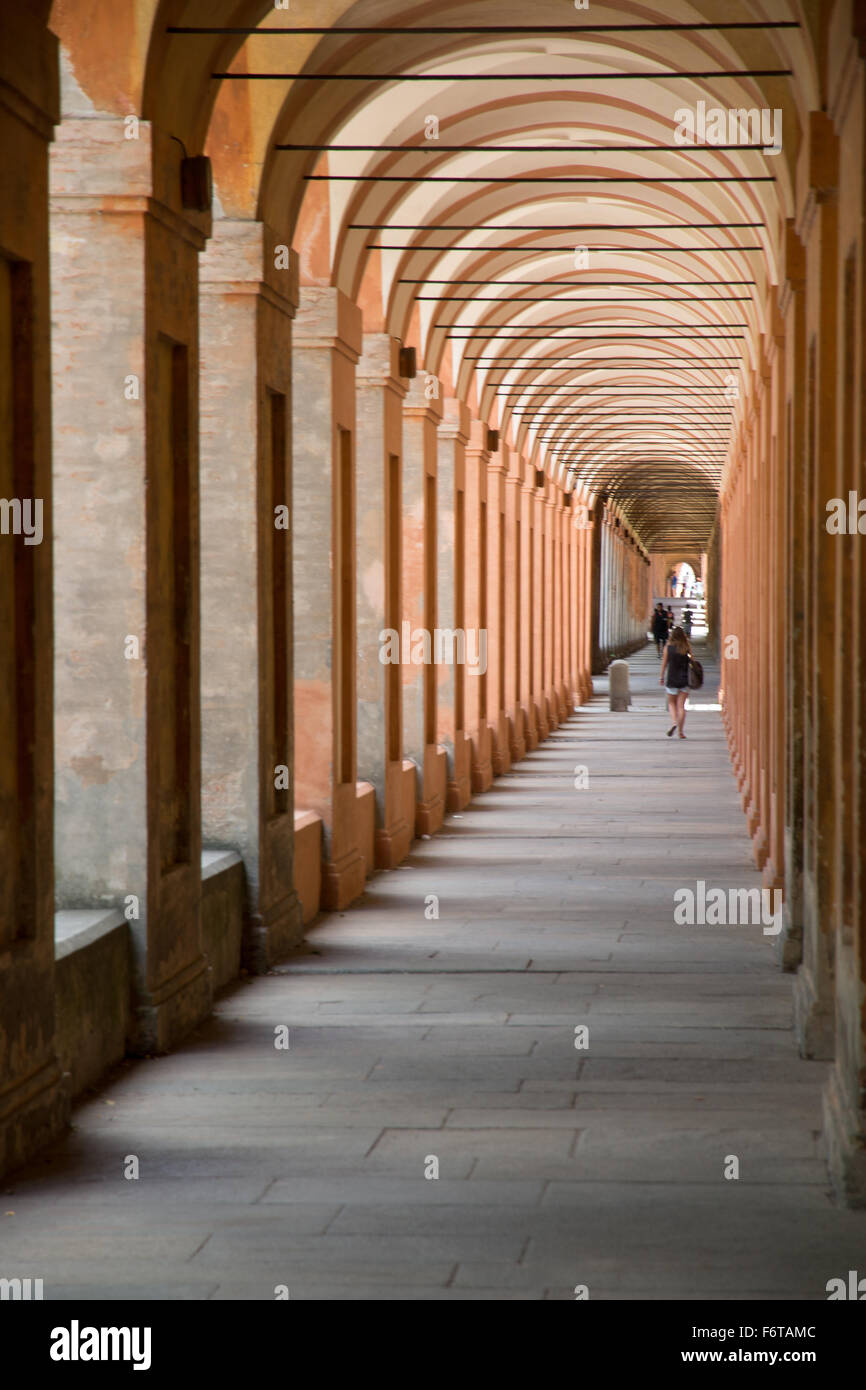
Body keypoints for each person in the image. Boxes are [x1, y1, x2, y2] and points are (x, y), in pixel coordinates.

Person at [660, 625, 693, 739]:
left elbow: (664, 664)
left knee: (671, 703)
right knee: (681, 706)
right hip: (684, 679)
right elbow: (692, 661)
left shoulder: (668, 647)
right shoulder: (686, 647)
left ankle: (674, 722)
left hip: (672, 678)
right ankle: (681, 732)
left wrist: (661, 677)